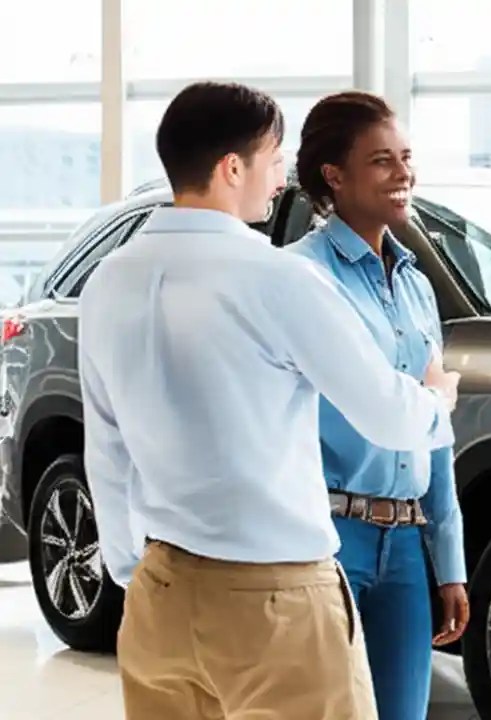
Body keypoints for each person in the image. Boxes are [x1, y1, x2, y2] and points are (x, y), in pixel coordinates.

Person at [78, 81, 460, 720]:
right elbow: (389, 415)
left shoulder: (110, 280)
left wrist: (131, 571)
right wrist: (436, 399)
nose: (282, 178)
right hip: (275, 595)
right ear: (233, 168)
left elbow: (107, 446)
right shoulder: (276, 275)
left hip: (161, 592)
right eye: (274, 159)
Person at [287, 90, 468, 720]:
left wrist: (449, 563)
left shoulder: (415, 285)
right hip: (326, 539)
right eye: (382, 161)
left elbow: (434, 430)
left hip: (406, 547)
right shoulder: (300, 278)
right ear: (334, 176)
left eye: (407, 158)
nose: (403, 175)